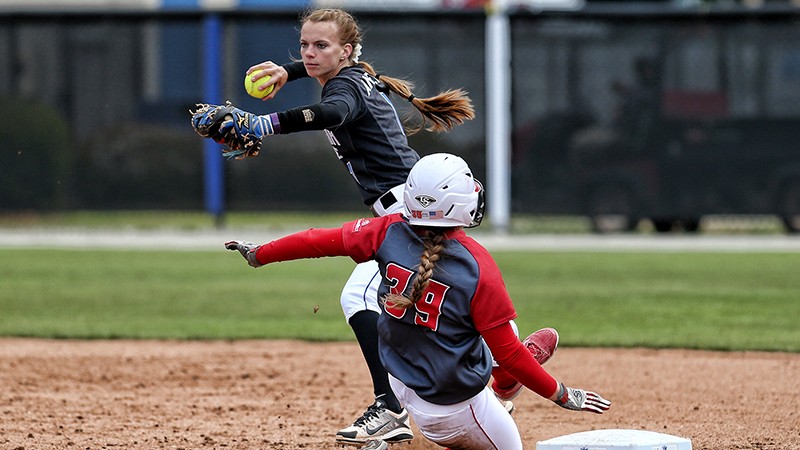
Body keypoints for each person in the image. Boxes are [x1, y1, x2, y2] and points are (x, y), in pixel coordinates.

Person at [190, 7, 477, 445]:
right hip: (412, 208)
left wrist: (263, 123)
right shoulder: (354, 74)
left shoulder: (346, 88)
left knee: (359, 296)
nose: (309, 53)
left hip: (404, 214)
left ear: (346, 51)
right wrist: (287, 71)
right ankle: (497, 378)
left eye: (321, 45)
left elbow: (333, 112)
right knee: (422, 304)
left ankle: (390, 407)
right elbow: (323, 77)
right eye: (303, 45)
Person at [224, 153, 612, 450]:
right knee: (501, 345)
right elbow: (510, 353)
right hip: (456, 411)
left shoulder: (386, 231)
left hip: (403, 384)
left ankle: (498, 388)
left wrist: (261, 254)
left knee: (465, 329)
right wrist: (562, 394)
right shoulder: (479, 267)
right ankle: (502, 388)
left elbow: (316, 240)